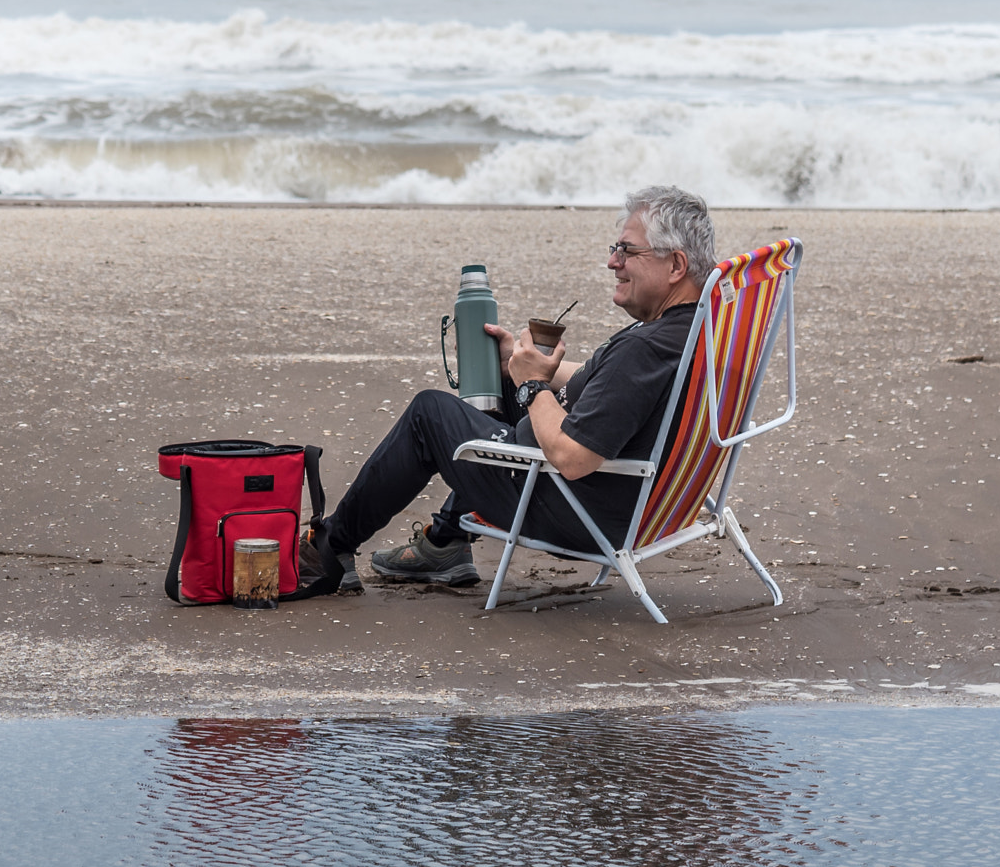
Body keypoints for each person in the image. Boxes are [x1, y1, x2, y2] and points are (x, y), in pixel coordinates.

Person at [297, 185, 716, 596]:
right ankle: (445, 542)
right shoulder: (698, 331)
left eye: (627, 250)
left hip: (572, 506)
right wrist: (519, 364)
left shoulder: (645, 349)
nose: (612, 262)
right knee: (499, 383)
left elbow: (573, 458)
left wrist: (533, 384)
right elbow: (607, 385)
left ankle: (329, 548)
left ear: (676, 265)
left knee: (430, 414)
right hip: (641, 502)